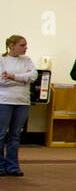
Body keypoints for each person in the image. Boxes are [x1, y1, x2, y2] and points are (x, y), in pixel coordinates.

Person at [0, 34, 38, 177]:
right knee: (1, 134)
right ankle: (0, 166)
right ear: (11, 46)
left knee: (15, 135)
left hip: (22, 102)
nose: (26, 48)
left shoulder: (27, 60)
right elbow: (1, 80)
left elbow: (33, 76)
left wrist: (13, 76)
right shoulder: (2, 60)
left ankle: (13, 166)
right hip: (4, 101)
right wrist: (23, 79)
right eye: (22, 45)